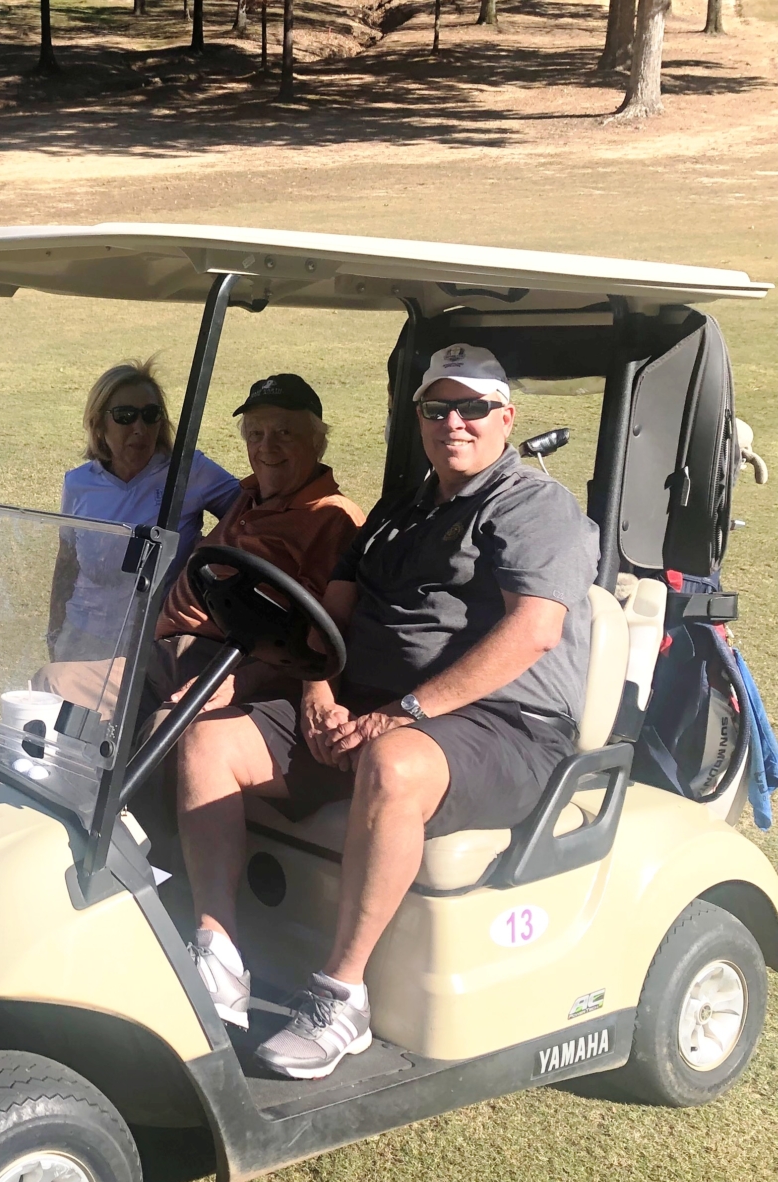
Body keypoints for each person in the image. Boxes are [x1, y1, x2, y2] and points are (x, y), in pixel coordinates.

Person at [176, 344, 599, 1079]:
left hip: (506, 727)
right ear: (420, 419)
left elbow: (535, 630)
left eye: (472, 408)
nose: (454, 423)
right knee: (206, 742)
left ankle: (342, 997)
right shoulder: (401, 510)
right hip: (371, 708)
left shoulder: (532, 505)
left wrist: (404, 711)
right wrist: (317, 692)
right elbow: (329, 617)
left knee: (393, 763)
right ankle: (219, 956)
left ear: (506, 417)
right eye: (437, 409)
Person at [35, 373, 364, 719]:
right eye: (256, 434)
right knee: (50, 686)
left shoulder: (331, 517)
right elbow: (67, 559)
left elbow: (321, 636)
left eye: (284, 433)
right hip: (162, 652)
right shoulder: (248, 497)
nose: (267, 448)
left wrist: (237, 680)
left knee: (163, 727)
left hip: (226, 658)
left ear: (317, 441)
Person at [48, 360, 240, 662]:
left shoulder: (189, 471)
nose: (140, 429)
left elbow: (251, 513)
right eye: (125, 416)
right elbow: (67, 562)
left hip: (156, 644)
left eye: (151, 415)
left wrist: (206, 550)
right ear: (99, 424)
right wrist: (54, 632)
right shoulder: (78, 483)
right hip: (83, 638)